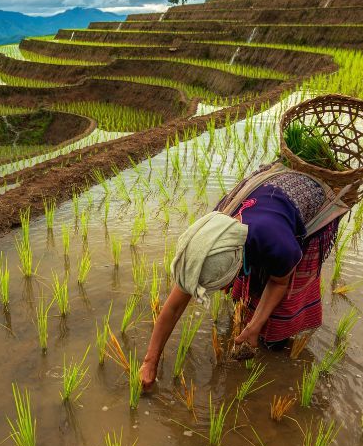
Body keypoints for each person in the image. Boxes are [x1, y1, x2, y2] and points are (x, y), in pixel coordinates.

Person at [138, 164, 341, 389]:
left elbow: (279, 281)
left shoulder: (279, 243)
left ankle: (275, 337)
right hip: (261, 196)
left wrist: (255, 328)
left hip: (309, 199)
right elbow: (174, 307)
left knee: (282, 304)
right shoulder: (209, 239)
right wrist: (150, 361)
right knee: (252, 285)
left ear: (236, 262)